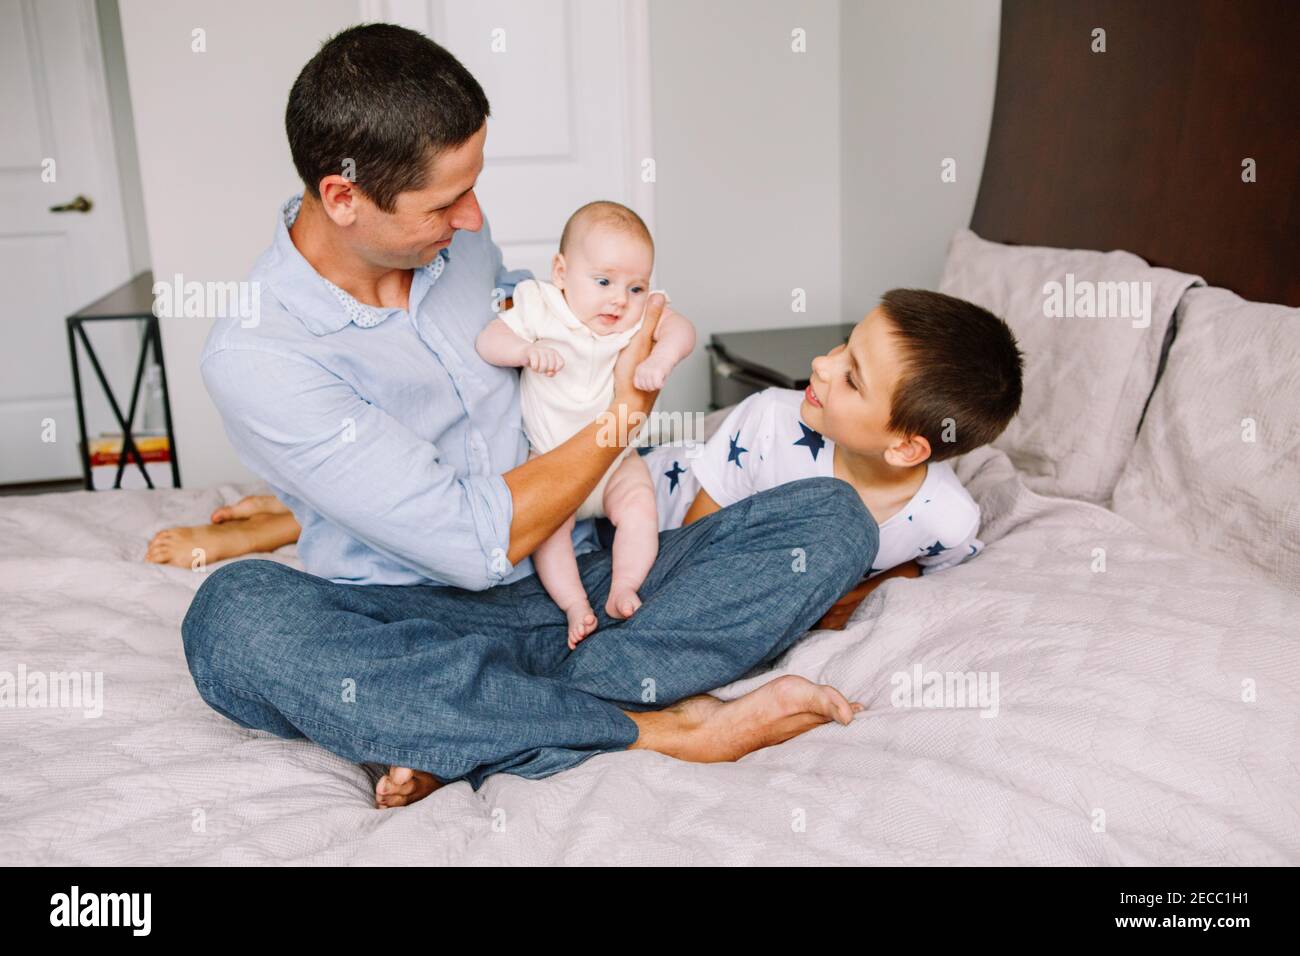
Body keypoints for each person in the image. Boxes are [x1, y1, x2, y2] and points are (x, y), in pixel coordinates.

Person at [177, 23, 879, 808]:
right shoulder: (259, 355)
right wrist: (621, 416)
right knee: (232, 621)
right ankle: (653, 726)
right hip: (410, 621)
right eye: (447, 201)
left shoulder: (450, 246)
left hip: (584, 579)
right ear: (344, 197)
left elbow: (533, 309)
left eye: (473, 186)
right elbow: (470, 543)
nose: (474, 217)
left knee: (835, 520)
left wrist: (611, 325)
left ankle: (473, 721)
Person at [476, 200, 695, 647]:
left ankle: (624, 586)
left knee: (640, 509)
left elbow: (682, 330)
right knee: (549, 533)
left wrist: (662, 358)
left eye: (636, 287)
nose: (620, 299)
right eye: (603, 281)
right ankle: (575, 603)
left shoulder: (637, 317)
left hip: (617, 461)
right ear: (561, 272)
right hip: (552, 462)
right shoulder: (541, 306)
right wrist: (524, 352)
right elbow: (488, 340)